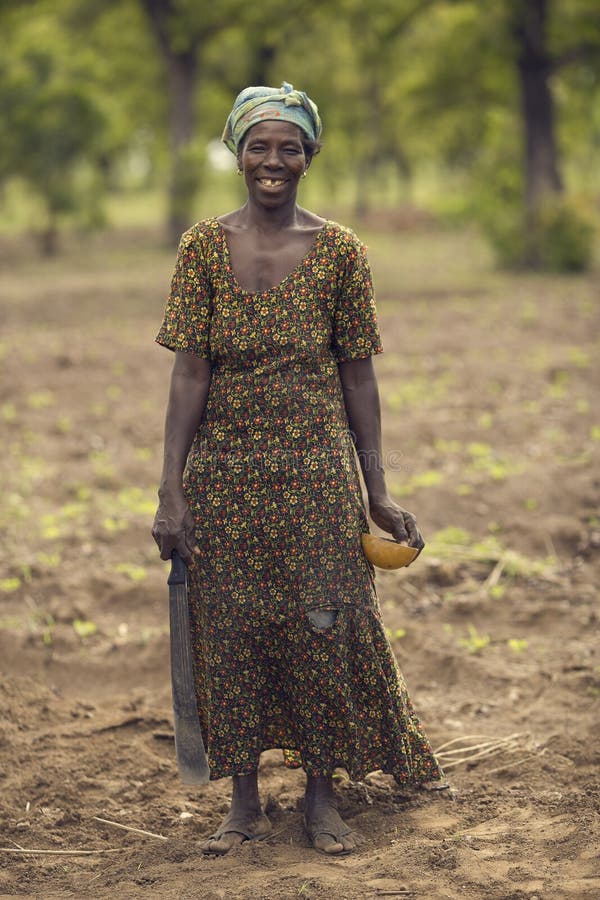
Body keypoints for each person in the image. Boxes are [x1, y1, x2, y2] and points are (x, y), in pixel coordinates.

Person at [152, 81, 443, 857]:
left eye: (289, 147)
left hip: (316, 478)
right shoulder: (201, 247)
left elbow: (358, 376)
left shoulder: (342, 250)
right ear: (237, 153)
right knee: (230, 631)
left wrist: (375, 488)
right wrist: (171, 489)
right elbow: (189, 373)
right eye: (259, 145)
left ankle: (322, 797)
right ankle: (243, 801)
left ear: (309, 157)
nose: (272, 160)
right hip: (226, 477)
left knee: (324, 627)